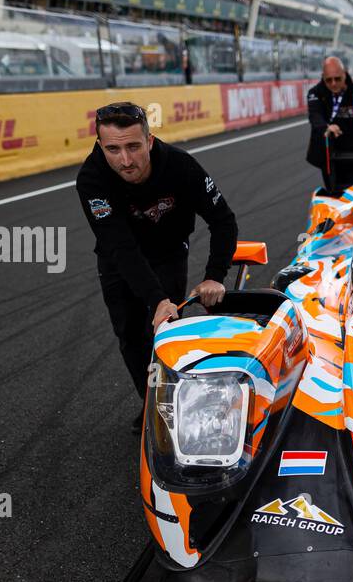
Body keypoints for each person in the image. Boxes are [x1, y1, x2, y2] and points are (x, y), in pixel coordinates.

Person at [75, 102, 238, 428]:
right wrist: (155, 298)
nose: (125, 160)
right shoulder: (92, 178)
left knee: (164, 330)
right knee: (130, 335)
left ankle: (177, 401)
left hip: (168, 250)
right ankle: (153, 402)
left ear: (149, 141)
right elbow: (120, 247)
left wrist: (214, 276)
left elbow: (223, 220)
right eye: (113, 149)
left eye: (133, 146)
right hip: (118, 255)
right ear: (99, 146)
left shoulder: (181, 166)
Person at [305, 56, 353, 194]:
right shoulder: (315, 93)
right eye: (328, 80)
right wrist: (326, 127)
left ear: (345, 74)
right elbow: (315, 116)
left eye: (337, 79)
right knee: (334, 193)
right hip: (329, 156)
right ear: (323, 77)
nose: (333, 84)